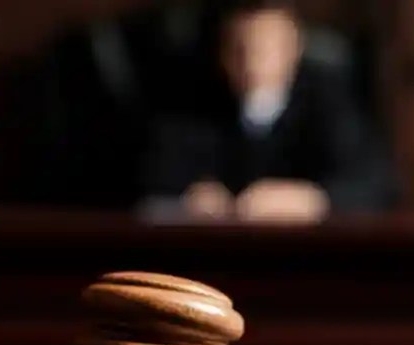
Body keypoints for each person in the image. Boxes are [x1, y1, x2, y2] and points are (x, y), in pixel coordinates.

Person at [138, 0, 396, 224]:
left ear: (294, 50)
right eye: (240, 49)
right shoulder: (193, 104)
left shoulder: (330, 103)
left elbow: (375, 184)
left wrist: (311, 200)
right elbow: (151, 180)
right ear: (222, 54)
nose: (252, 64)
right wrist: (189, 197)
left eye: (265, 49)